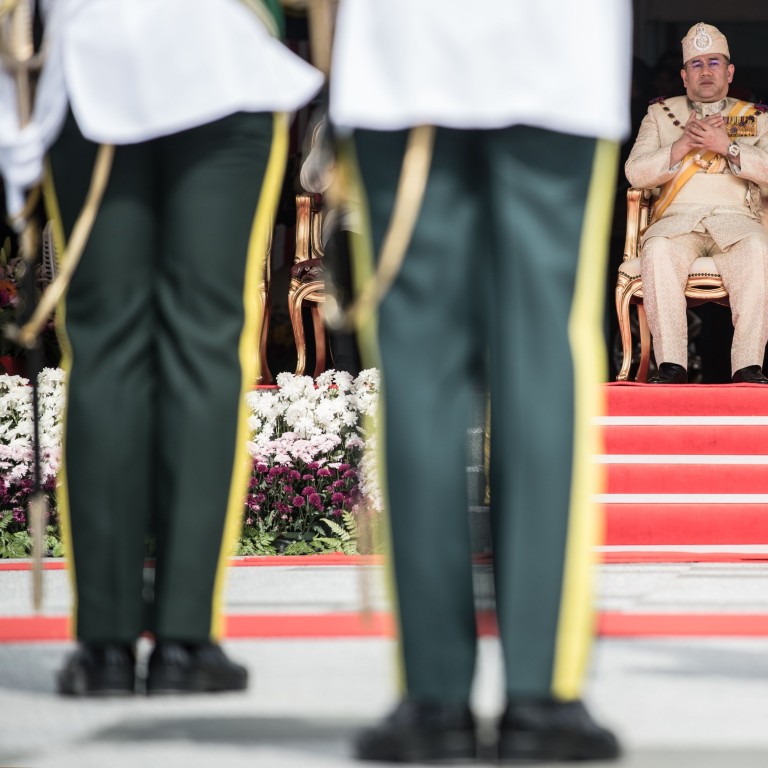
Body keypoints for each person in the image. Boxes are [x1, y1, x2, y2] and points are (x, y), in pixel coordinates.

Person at [328, 1, 631, 762]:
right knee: (542, 359)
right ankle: (541, 694)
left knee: (421, 375)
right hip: (553, 51)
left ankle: (433, 696)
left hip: (406, 54)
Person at [0, 0, 322, 695]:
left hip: (94, 60)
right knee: (203, 352)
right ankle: (184, 639)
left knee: (106, 353)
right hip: (218, 56)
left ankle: (106, 647)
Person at [625, 22, 768, 385]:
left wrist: (728, 147)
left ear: (729, 72)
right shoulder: (661, 115)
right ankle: (671, 366)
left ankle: (748, 367)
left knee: (758, 248)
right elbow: (634, 172)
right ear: (684, 76)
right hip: (677, 223)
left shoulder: (755, 118)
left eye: (714, 63)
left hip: (736, 222)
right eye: (697, 64)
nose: (706, 71)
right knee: (657, 248)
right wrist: (680, 147)